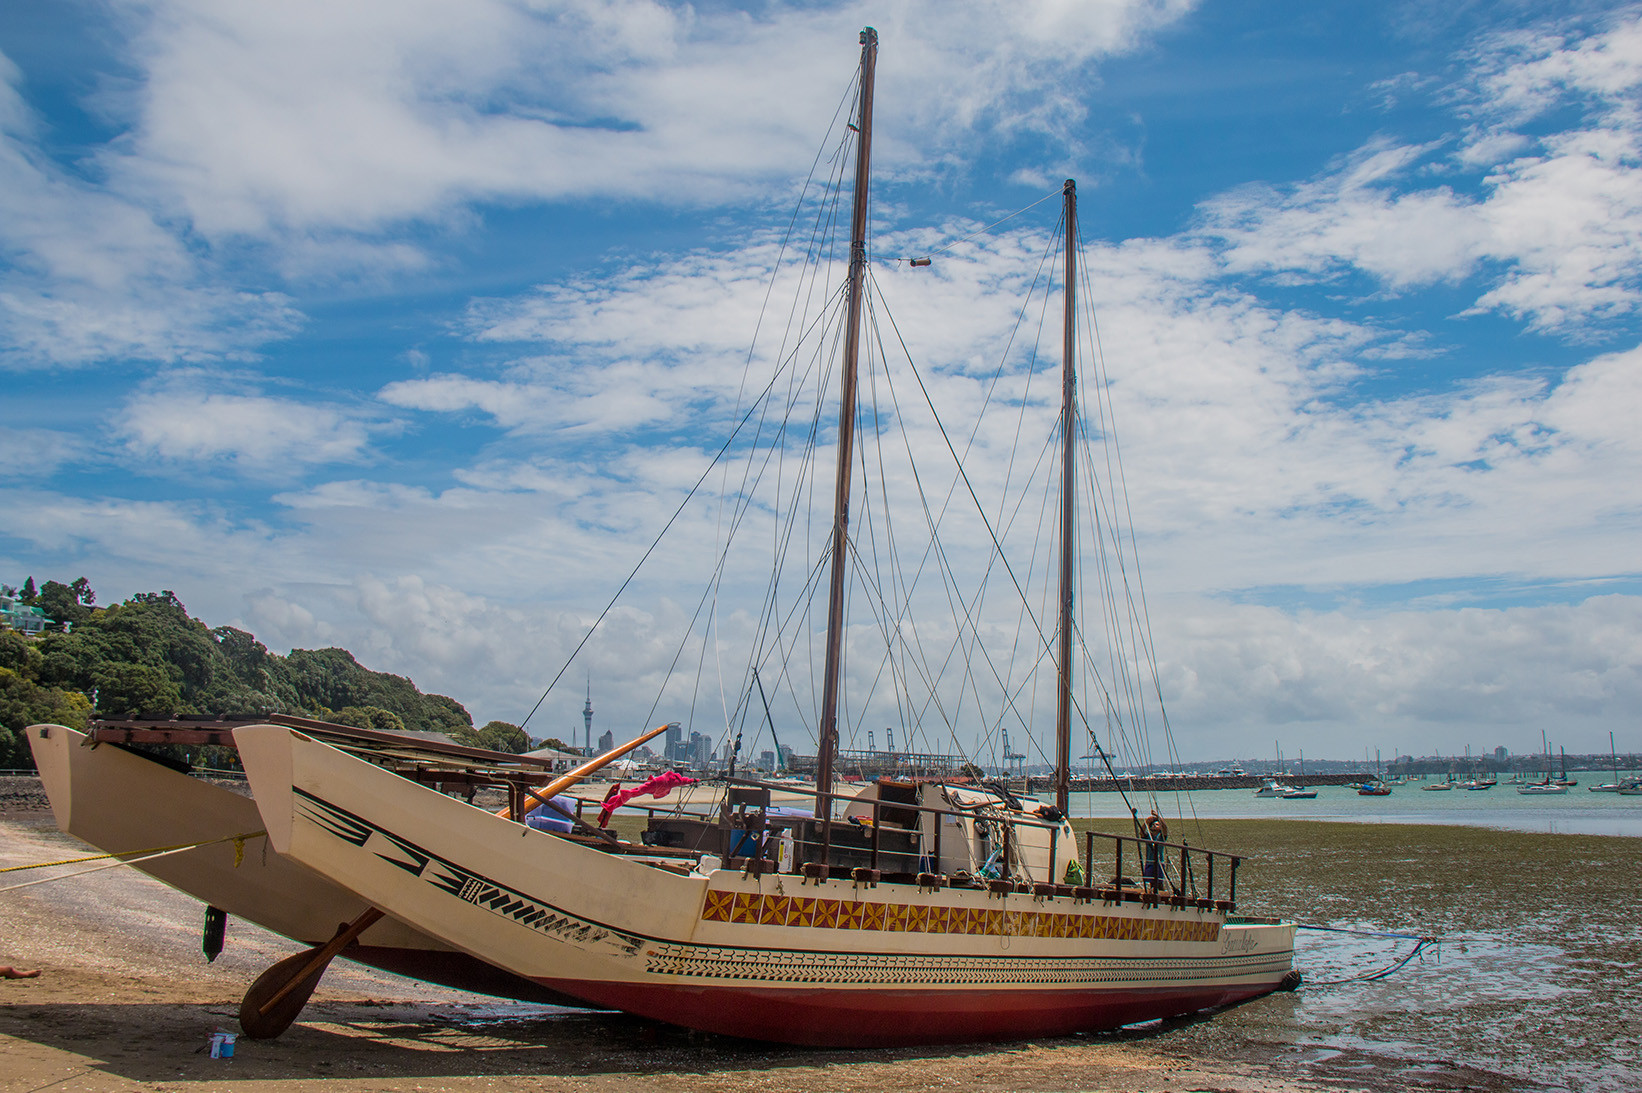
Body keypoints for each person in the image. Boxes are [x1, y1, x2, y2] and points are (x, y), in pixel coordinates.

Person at [1141, 808, 1168, 888]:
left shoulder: (1161, 837)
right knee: (1151, 882)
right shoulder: (1149, 837)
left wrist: (1157, 816)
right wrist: (1147, 822)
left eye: (1156, 824)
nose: (1154, 826)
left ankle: (1160, 892)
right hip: (1149, 862)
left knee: (1159, 882)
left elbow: (1165, 828)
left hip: (1159, 862)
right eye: (1153, 825)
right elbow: (1141, 832)